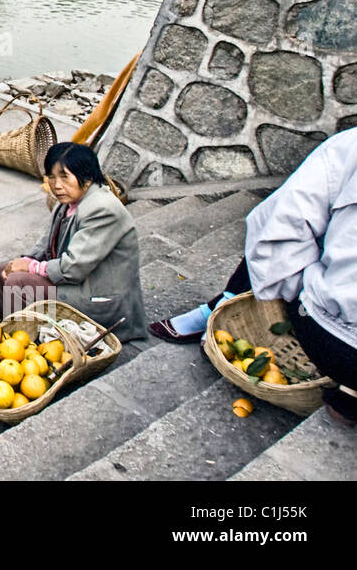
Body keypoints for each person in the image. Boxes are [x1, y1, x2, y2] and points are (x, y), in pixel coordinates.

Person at [150, 128, 357, 425]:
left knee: (278, 232)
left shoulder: (349, 147)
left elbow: (277, 230)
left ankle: (222, 306)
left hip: (333, 342)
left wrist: (292, 292)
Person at [0, 143, 147, 340]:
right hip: (77, 281)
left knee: (19, 282)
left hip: (96, 296)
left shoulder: (102, 209)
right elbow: (45, 244)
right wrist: (23, 261)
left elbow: (73, 268)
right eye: (51, 177)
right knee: (3, 268)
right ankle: (2, 325)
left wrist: (30, 267)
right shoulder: (69, 203)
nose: (57, 185)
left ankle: (19, 340)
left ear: (86, 178)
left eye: (64, 177)